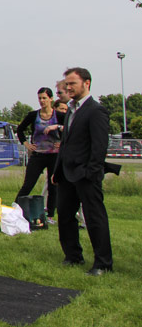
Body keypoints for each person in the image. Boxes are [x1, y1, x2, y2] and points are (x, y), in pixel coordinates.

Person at [51, 67, 112, 276]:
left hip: (86, 174)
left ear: (86, 83)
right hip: (66, 174)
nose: (68, 87)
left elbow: (99, 146)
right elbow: (66, 144)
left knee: (94, 218)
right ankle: (73, 256)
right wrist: (57, 171)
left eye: (72, 84)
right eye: (67, 84)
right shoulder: (71, 110)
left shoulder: (96, 111)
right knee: (65, 215)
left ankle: (103, 264)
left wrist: (91, 173)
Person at [15, 87, 66, 223]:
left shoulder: (59, 116)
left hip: (54, 155)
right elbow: (20, 129)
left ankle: (50, 216)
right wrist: (26, 144)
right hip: (38, 155)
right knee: (28, 184)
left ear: (51, 99)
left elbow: (71, 129)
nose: (42, 101)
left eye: (44, 98)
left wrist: (62, 142)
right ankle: (15, 209)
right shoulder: (33, 115)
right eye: (40, 98)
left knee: (53, 185)